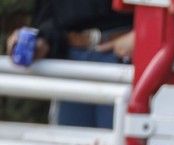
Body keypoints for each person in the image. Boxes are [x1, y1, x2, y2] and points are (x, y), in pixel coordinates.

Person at [6, 0, 133, 128]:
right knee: (72, 142)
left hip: (127, 57)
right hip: (70, 60)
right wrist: (41, 39)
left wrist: (144, 34)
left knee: (124, 142)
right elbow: (49, 14)